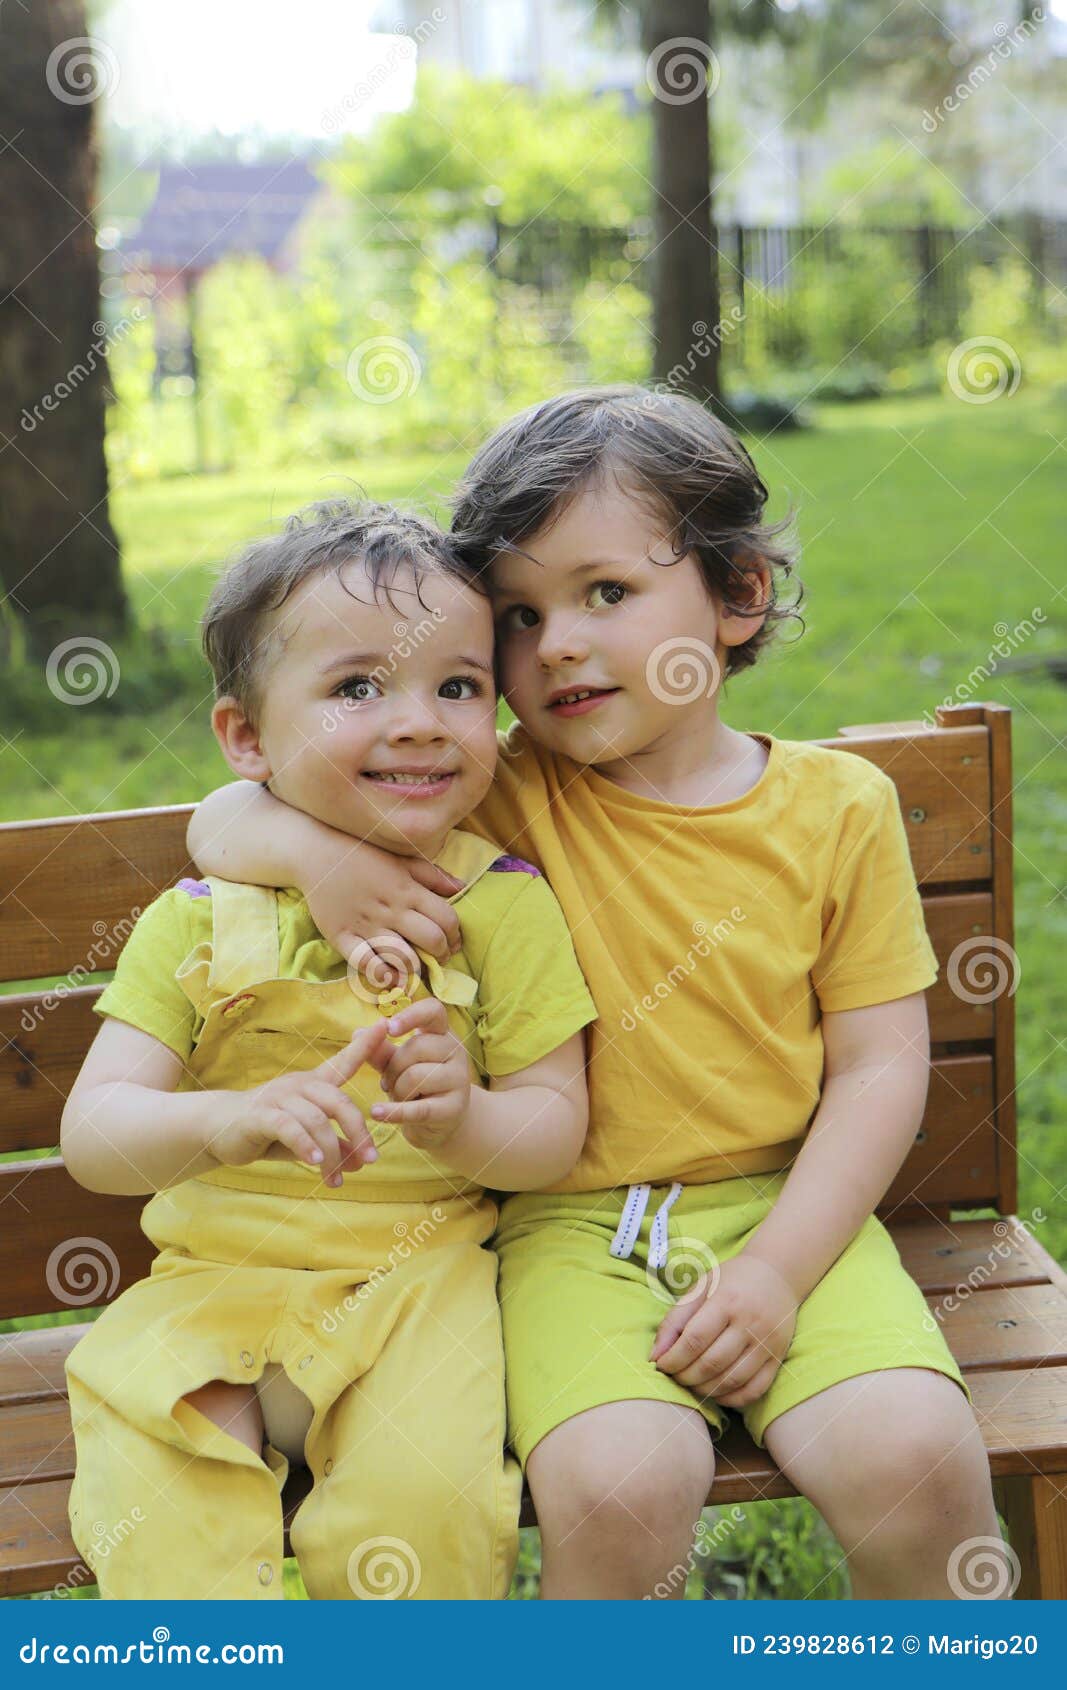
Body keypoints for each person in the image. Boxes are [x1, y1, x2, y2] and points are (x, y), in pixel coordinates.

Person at [186, 388, 1005, 1601]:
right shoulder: (494, 791)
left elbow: (880, 1066)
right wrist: (323, 857)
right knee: (618, 1484)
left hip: (793, 1216)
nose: (556, 643)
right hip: (570, 1229)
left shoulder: (837, 810)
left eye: (604, 594)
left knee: (917, 1460)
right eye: (517, 615)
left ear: (735, 596)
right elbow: (222, 815)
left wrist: (776, 1272)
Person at [61, 500, 595, 1600]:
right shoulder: (197, 918)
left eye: (457, 686)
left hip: (419, 1285)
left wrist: (463, 1116)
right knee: (162, 1480)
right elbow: (95, 1135)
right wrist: (223, 1118)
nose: (417, 722)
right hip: (216, 1280)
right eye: (356, 687)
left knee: (424, 1512)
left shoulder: (498, 908)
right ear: (246, 738)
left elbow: (554, 1131)